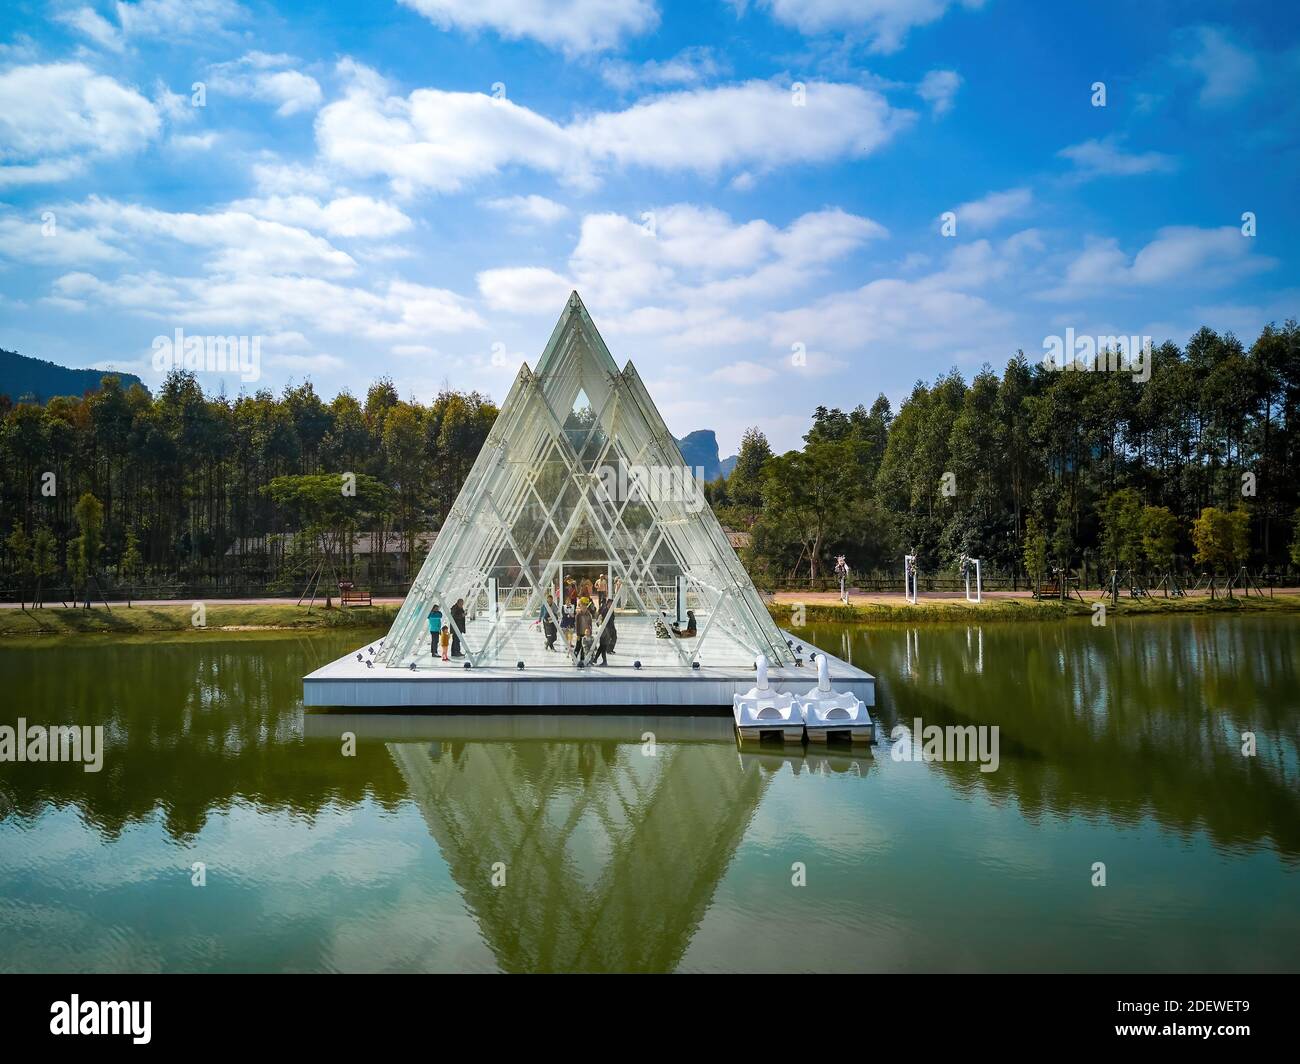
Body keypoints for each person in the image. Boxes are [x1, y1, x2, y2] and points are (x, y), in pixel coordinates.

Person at [591, 601, 612, 666]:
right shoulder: (605, 610)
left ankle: (596, 659)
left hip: (606, 632)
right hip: (604, 632)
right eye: (610, 604)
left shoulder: (610, 611)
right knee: (603, 647)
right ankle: (602, 661)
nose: (611, 605)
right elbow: (599, 620)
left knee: (602, 647)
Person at [574, 596, 593, 663]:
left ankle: (582, 659)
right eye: (583, 605)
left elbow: (590, 624)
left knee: (583, 647)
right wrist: (578, 634)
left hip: (586, 633)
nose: (584, 607)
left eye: (585, 605)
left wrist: (590, 633)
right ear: (580, 605)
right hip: (580, 633)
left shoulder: (588, 614)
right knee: (578, 646)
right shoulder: (578, 615)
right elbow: (577, 625)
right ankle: (574, 658)